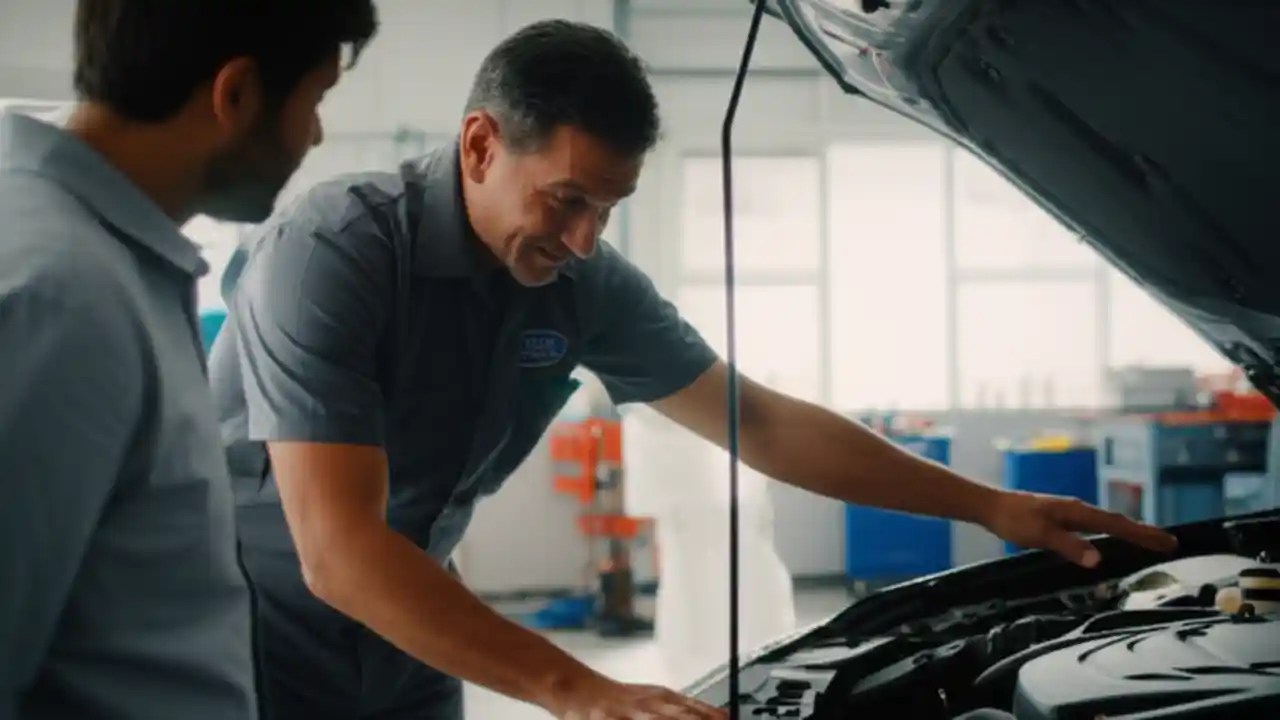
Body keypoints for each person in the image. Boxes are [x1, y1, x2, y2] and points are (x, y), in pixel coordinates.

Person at [210, 19, 1178, 720]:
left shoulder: (575, 279)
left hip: (413, 626)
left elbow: (756, 422)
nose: (585, 240)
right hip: (249, 637)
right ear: (478, 145)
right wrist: (581, 691)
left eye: (608, 207)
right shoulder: (333, 251)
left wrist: (992, 507)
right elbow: (335, 550)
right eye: (564, 200)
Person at [0, 2, 378, 719]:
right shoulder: (59, 296)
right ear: (234, 95)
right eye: (315, 101)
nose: (317, 134)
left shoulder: (108, 266)